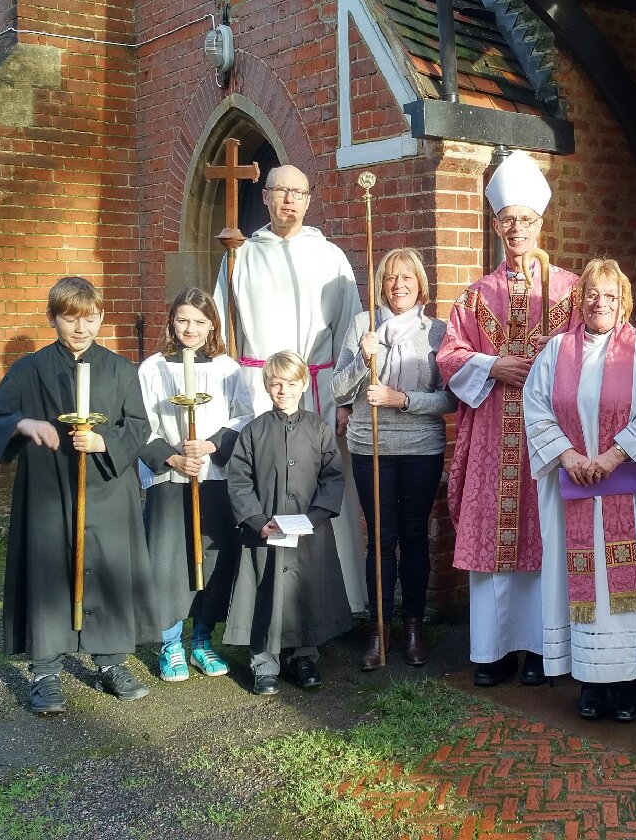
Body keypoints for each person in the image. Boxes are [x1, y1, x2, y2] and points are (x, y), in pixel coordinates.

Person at [0, 277, 155, 713]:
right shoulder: (30, 369)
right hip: (49, 489)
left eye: (90, 318)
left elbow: (138, 426)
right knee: (48, 573)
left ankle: (111, 661)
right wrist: (26, 425)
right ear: (53, 318)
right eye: (70, 318)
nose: (81, 328)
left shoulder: (120, 369)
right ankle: (45, 671)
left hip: (108, 489)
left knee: (109, 569)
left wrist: (103, 443)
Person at [438, 150, 579, 687]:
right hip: (494, 429)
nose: (516, 228)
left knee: (545, 532)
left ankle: (545, 651)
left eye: (525, 219)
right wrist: (493, 364)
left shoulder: (570, 290)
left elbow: (593, 352)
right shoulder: (476, 295)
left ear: (541, 223)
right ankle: (492, 651)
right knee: (496, 539)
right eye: (507, 220)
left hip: (550, 433)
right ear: (496, 225)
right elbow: (449, 356)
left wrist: (549, 360)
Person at [214, 163, 367, 614]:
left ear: (308, 199)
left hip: (317, 392)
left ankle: (332, 601)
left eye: (298, 192)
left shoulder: (330, 257)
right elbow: (221, 332)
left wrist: (344, 400)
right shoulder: (240, 255)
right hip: (260, 389)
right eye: (281, 191)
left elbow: (350, 333)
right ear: (265, 197)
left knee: (316, 487)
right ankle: (260, 603)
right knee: (262, 487)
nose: (289, 201)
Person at [523, 259, 636, 722]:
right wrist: (568, 456)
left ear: (623, 300)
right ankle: (589, 682)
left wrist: (611, 457)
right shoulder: (556, 352)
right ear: (580, 298)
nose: (599, 301)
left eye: (610, 294)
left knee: (630, 583)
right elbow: (536, 406)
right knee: (578, 581)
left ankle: (628, 685)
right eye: (591, 293)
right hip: (573, 488)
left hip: (628, 488)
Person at [332, 248, 457, 669]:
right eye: (390, 278)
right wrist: (362, 358)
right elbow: (338, 390)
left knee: (415, 537)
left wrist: (400, 399)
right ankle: (378, 629)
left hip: (421, 448)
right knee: (381, 541)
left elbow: (450, 398)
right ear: (381, 285)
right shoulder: (363, 326)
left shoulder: (438, 332)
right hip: (372, 447)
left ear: (420, 285)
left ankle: (414, 627)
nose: (398, 285)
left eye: (407, 278)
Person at [137, 288, 254, 682]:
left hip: (214, 477)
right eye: (183, 320)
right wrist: (172, 457)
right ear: (171, 321)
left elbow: (244, 417)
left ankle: (203, 641)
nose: (191, 329)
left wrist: (210, 444)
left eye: (200, 322)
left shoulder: (226, 368)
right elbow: (140, 425)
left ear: (212, 326)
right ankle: (171, 643)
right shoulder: (153, 368)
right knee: (168, 560)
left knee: (214, 558)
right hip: (171, 478)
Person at [223, 351, 351, 696]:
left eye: (291, 383)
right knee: (265, 591)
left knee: (302, 591)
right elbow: (238, 480)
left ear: (304, 385)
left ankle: (304, 656)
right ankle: (264, 662)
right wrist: (256, 520)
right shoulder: (253, 431)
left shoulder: (319, 429)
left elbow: (333, 476)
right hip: (265, 531)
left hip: (308, 531)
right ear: (267, 386)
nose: (283, 390)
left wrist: (314, 517)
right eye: (276, 384)